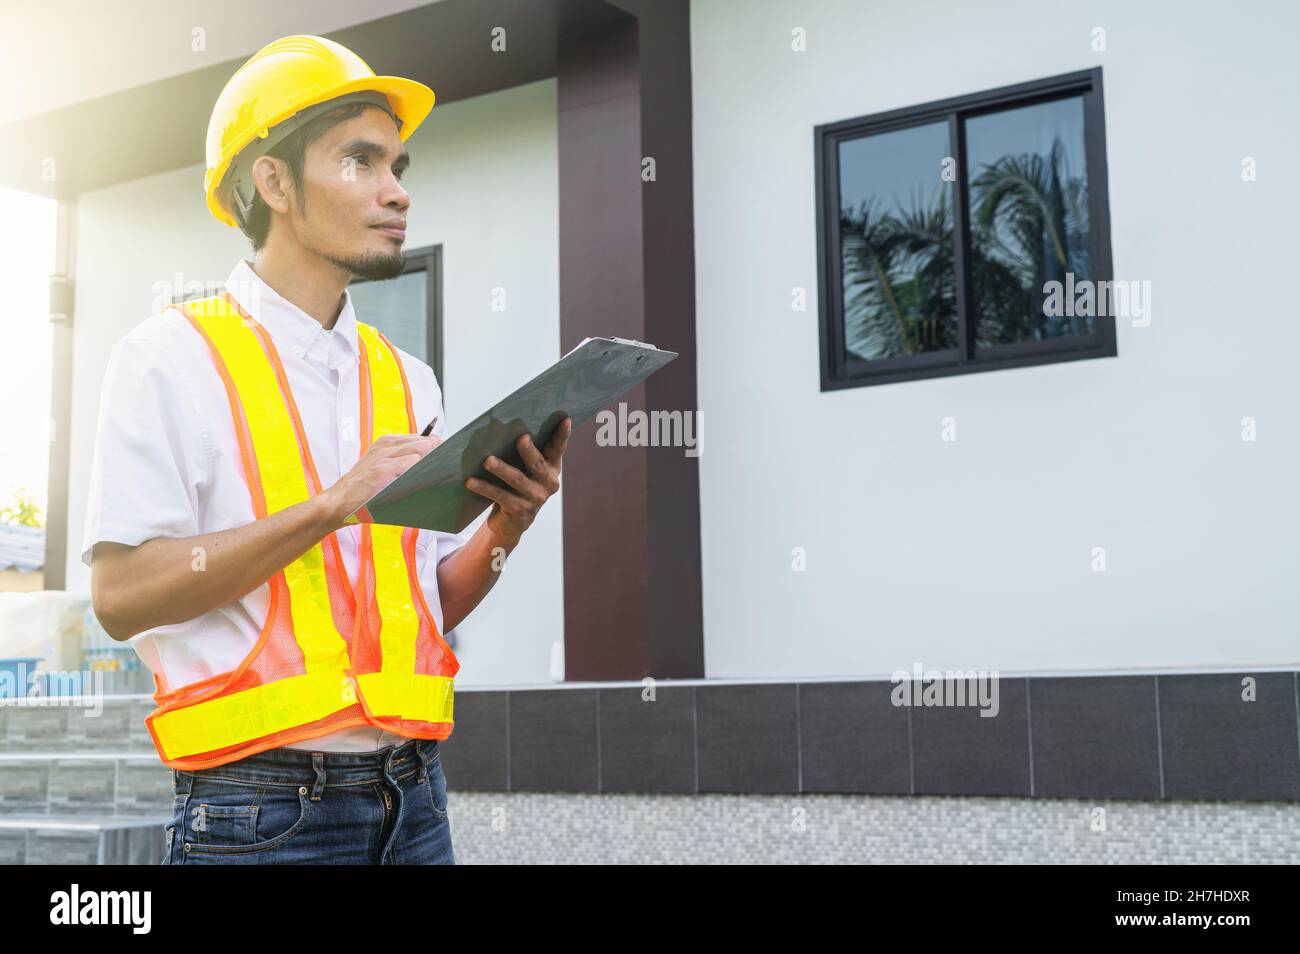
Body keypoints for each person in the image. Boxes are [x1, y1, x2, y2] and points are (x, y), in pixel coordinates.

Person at [82, 35, 570, 865]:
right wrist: (329, 505)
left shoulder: (407, 379)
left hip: (414, 800)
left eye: (399, 169)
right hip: (256, 815)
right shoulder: (167, 358)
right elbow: (121, 596)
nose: (396, 193)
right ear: (273, 181)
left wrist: (505, 530)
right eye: (361, 162)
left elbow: (429, 608)